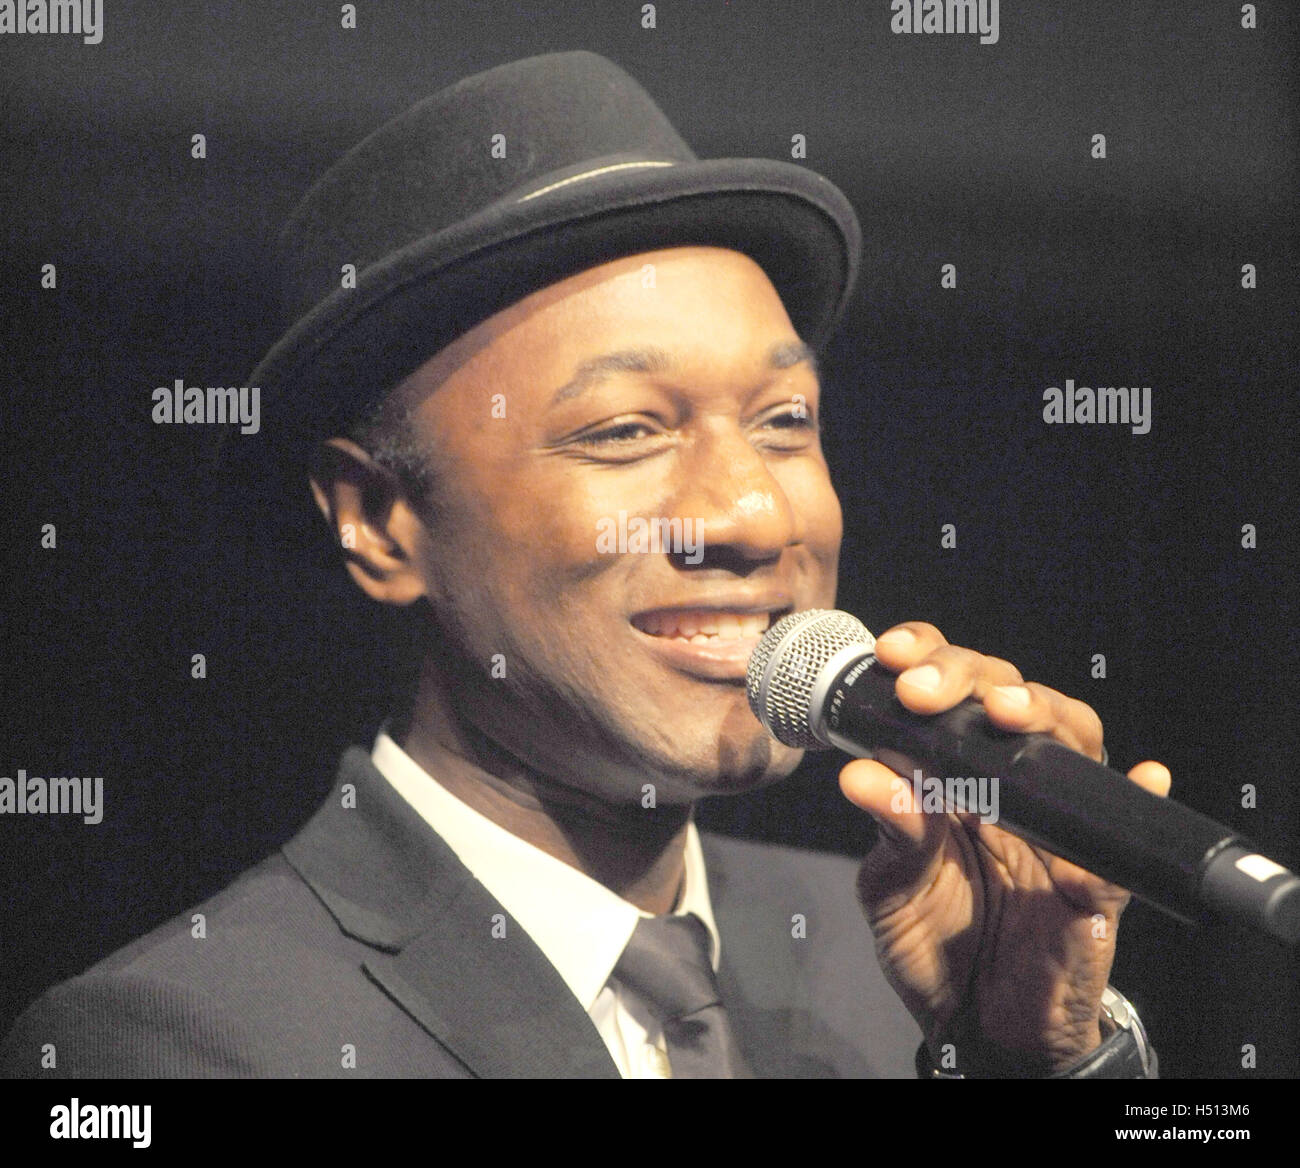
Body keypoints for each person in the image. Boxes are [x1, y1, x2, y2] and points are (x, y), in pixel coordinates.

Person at [2, 50, 1165, 1079]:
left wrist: (1036, 1065)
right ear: (380, 518)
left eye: (783, 421)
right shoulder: (179, 1042)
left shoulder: (903, 962)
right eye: (624, 429)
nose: (751, 514)